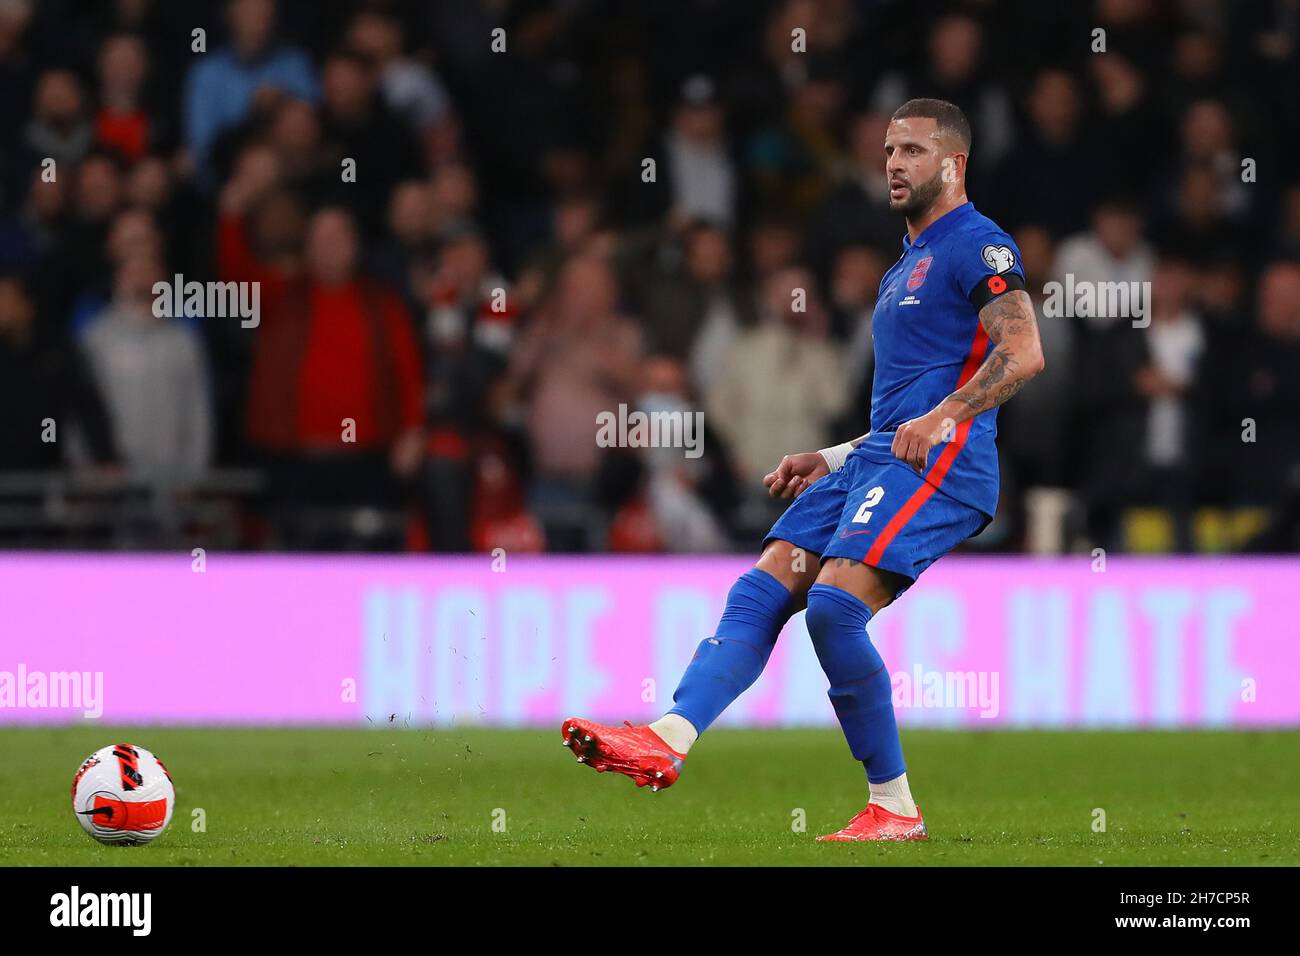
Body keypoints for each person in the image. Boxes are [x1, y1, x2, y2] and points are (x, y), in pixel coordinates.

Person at [561, 99, 1045, 841]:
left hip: (945, 463)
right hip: (881, 459)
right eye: (888, 149)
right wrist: (832, 456)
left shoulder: (978, 246)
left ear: (954, 164)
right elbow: (900, 414)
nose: (893, 163)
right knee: (762, 586)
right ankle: (668, 735)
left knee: (834, 608)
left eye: (913, 150)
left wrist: (945, 416)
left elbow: (1023, 353)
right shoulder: (902, 268)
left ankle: (895, 808)